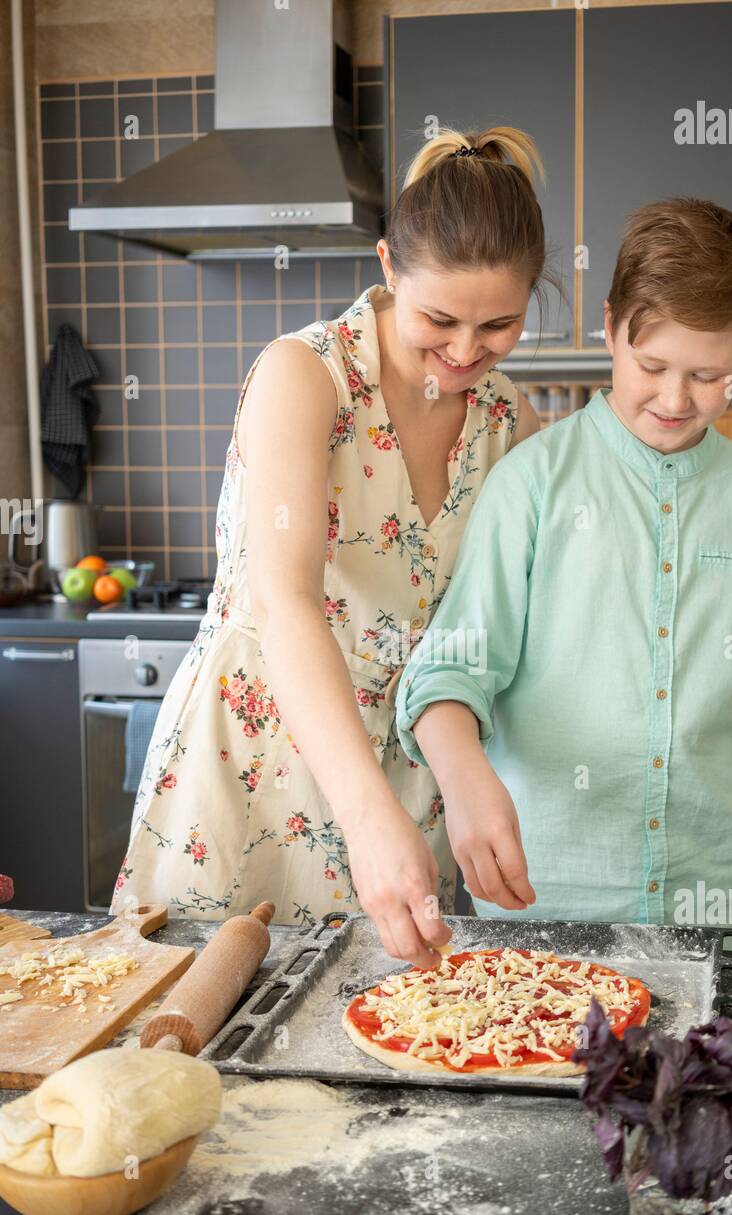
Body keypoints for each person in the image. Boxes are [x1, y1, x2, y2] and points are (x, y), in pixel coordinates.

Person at [111, 127, 553, 967]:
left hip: (408, 775)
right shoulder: (303, 375)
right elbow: (284, 601)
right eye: (438, 320)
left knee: (374, 1051)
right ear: (388, 268)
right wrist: (365, 815)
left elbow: (486, 627)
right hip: (261, 757)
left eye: (499, 323)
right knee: (192, 1038)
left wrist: (463, 775)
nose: (465, 353)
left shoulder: (508, 422)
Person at [394, 198, 732, 956]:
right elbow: (445, 678)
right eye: (652, 366)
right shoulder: (532, 481)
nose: (675, 399)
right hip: (545, 910)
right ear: (609, 328)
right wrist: (464, 785)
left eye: (708, 376)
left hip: (716, 910)